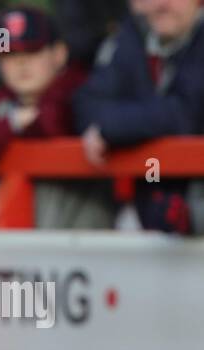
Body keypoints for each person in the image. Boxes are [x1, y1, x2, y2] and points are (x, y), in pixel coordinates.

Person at [0, 5, 113, 228]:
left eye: (32, 52)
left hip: (84, 243)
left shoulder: (81, 89)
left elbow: (52, 124)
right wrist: (12, 123)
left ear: (59, 54)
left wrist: (14, 125)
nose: (21, 63)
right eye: (10, 55)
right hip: (18, 250)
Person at [74, 0, 204, 234]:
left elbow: (187, 113)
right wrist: (126, 126)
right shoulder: (131, 36)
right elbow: (86, 105)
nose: (162, 4)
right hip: (144, 213)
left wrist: (113, 128)